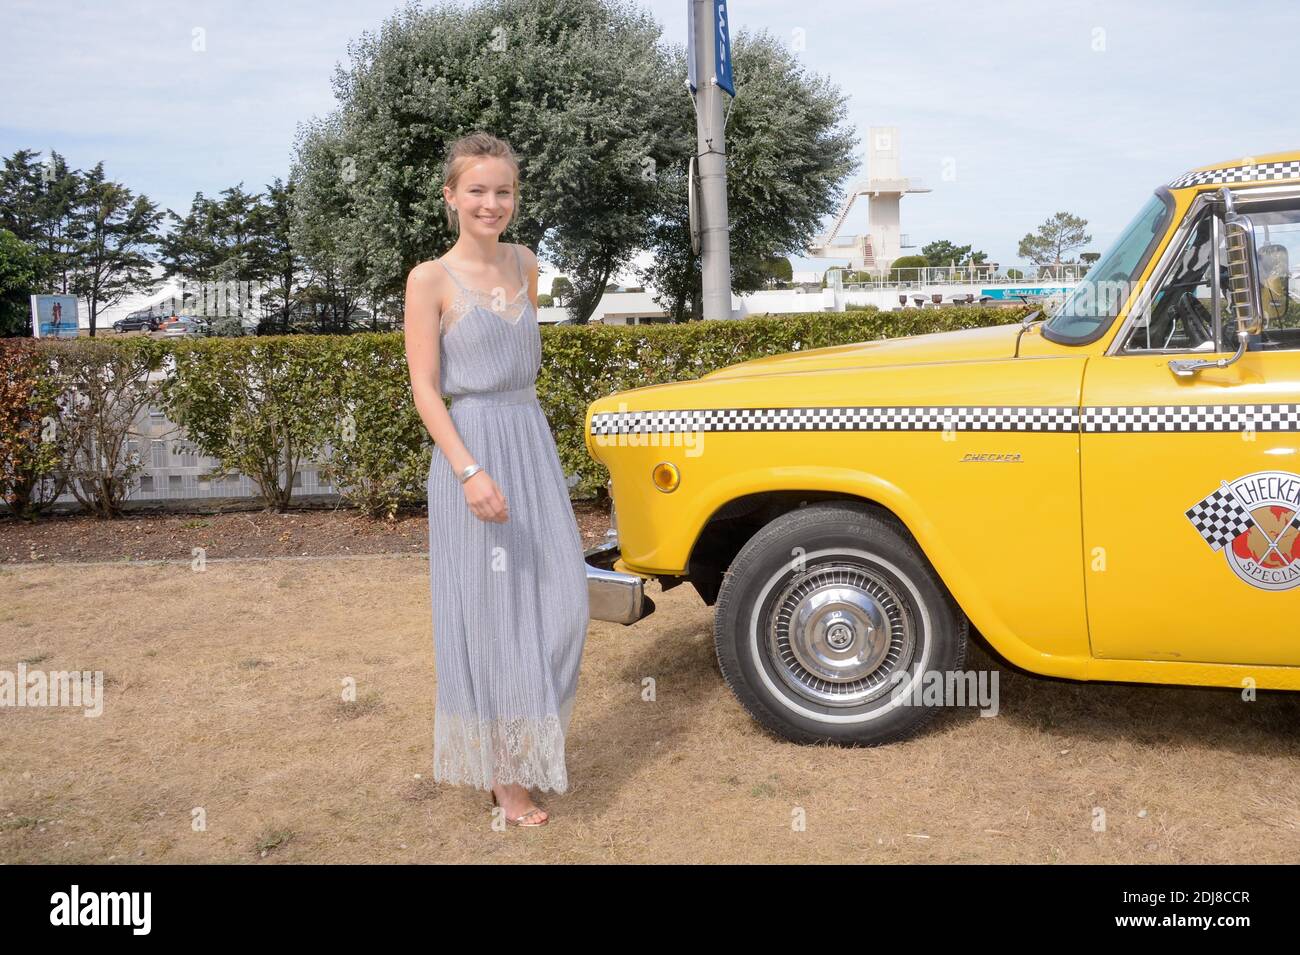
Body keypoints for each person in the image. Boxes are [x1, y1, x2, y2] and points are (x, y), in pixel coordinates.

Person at [403, 131, 590, 827]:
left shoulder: (526, 262)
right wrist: (468, 470)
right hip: (472, 449)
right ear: (451, 196)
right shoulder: (429, 279)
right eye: (476, 190)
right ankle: (506, 779)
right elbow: (426, 388)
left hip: (530, 442)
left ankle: (522, 746)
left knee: (565, 602)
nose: (491, 202)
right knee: (492, 615)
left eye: (503, 190)